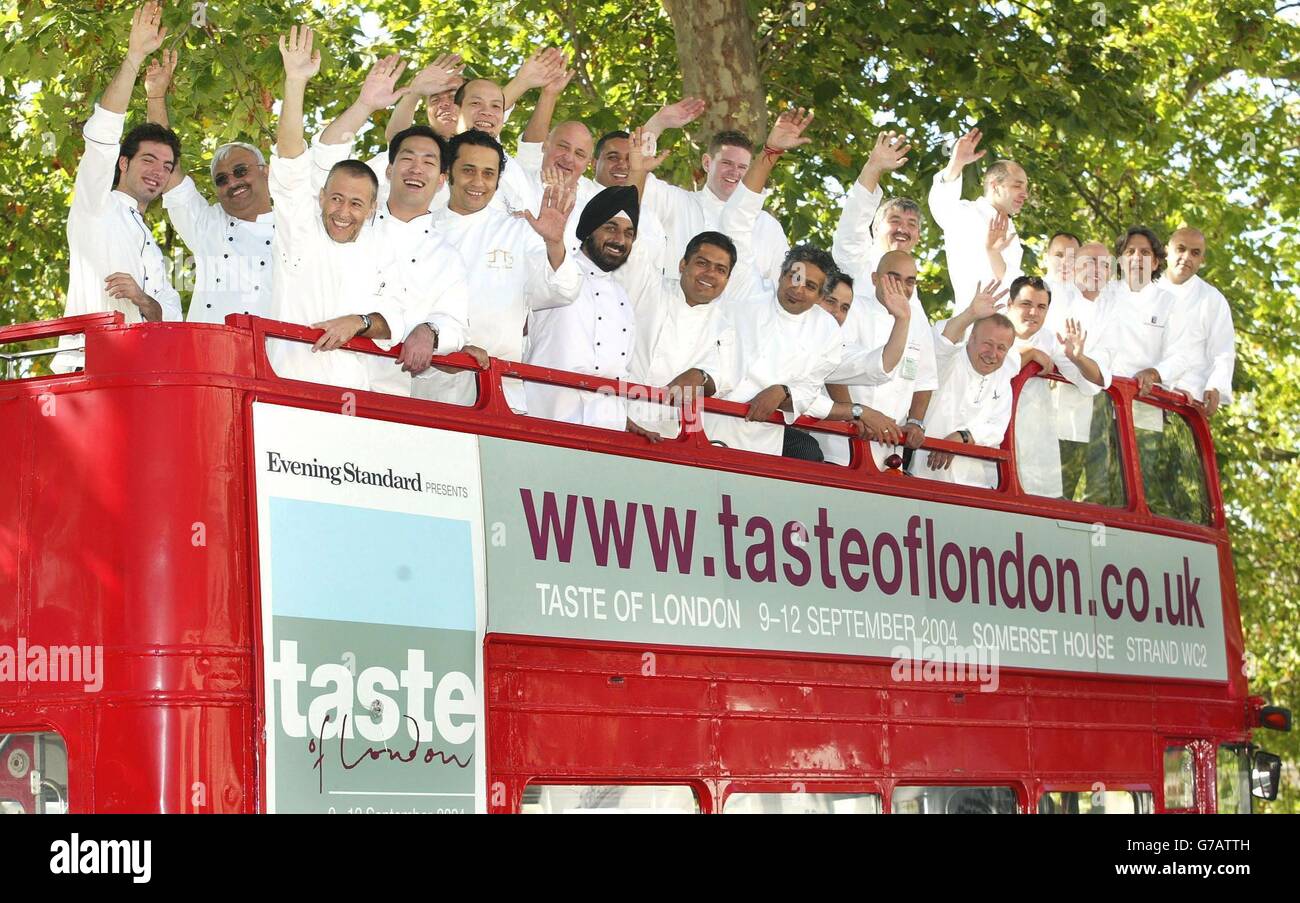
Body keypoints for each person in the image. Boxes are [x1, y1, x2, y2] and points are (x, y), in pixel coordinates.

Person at [712, 108, 883, 460]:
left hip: (765, 444)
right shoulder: (745, 289)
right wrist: (770, 153)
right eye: (794, 277)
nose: (797, 288)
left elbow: (810, 389)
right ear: (781, 273)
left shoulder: (825, 329)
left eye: (810, 286)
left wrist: (783, 391)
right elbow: (737, 219)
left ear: (822, 295)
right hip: (709, 425)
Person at [313, 56, 472, 396]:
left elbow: (456, 325)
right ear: (388, 169)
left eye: (428, 162)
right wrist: (377, 101)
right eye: (407, 159)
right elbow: (325, 157)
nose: (416, 169)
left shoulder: (447, 257)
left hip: (390, 394)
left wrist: (429, 330)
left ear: (443, 180)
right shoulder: (349, 223)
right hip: (317, 373)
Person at [266, 26, 404, 391]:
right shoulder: (299, 229)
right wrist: (294, 82)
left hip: (355, 397)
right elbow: (292, 160)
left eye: (357, 203)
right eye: (337, 199)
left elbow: (393, 320)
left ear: (373, 208)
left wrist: (357, 322)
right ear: (322, 197)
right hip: (287, 389)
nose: (343, 211)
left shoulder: (381, 249)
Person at [410, 129, 581, 410]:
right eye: (468, 170)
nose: (478, 182)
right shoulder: (421, 229)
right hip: (425, 389)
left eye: (488, 173)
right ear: (448, 173)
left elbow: (563, 291)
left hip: (499, 393)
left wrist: (554, 243)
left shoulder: (519, 229)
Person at [55, 1, 182, 372]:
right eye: (147, 161)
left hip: (136, 376)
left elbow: (167, 316)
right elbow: (102, 137)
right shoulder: (96, 205)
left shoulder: (150, 245)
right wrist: (134, 57)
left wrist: (143, 299)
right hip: (84, 372)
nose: (158, 172)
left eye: (167, 166)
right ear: (122, 163)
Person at [144, 50, 277, 325]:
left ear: (266, 173)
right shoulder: (208, 225)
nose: (233, 182)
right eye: (222, 179)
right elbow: (166, 168)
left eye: (240, 171)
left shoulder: (296, 226)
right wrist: (156, 96)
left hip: (274, 360)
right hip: (209, 357)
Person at [830, 131, 939, 460]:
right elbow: (831, 361)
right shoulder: (856, 266)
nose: (903, 228)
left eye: (912, 223)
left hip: (891, 446)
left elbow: (924, 374)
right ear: (877, 228)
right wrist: (874, 166)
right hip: (842, 434)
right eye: (894, 220)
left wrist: (917, 421)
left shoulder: (914, 299)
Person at [525, 186, 660, 441]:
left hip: (605, 434)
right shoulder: (558, 269)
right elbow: (558, 280)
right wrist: (554, 243)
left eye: (628, 233)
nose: (620, 240)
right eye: (611, 228)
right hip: (548, 424)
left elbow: (613, 373)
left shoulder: (623, 299)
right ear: (589, 230)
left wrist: (624, 420)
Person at [639, 99, 790, 290]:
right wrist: (657, 123)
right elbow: (634, 172)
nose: (734, 172)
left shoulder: (768, 227)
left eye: (742, 167)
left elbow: (784, 288)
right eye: (726, 163)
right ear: (707, 163)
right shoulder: (675, 202)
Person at [1003, 275, 1109, 498]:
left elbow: (1094, 382)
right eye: (1026, 304)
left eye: (1041, 307)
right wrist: (1030, 354)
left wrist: (1078, 357)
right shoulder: (989, 327)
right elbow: (993, 367)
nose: (1034, 313)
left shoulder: (1050, 339)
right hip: (992, 437)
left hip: (1035, 446)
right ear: (1009, 304)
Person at [910, 281, 1019, 489]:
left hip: (977, 487)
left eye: (1001, 348)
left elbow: (996, 429)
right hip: (925, 480)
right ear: (971, 339)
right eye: (987, 344)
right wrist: (970, 314)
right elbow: (943, 344)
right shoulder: (949, 363)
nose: (993, 354)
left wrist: (960, 438)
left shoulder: (1003, 380)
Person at [928, 126, 1027, 307]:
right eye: (1017, 186)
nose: (1025, 195)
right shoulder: (966, 214)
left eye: (1026, 189)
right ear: (995, 185)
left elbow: (1013, 285)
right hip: (970, 326)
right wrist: (956, 164)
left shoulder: (1012, 232)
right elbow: (940, 203)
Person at [1163, 227, 1234, 417]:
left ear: (1202, 260)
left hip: (1187, 401)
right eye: (1181, 249)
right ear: (1166, 251)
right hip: (1140, 393)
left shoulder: (1212, 299)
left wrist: (1215, 385)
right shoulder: (1143, 290)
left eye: (1195, 253)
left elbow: (1223, 350)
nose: (1186, 257)